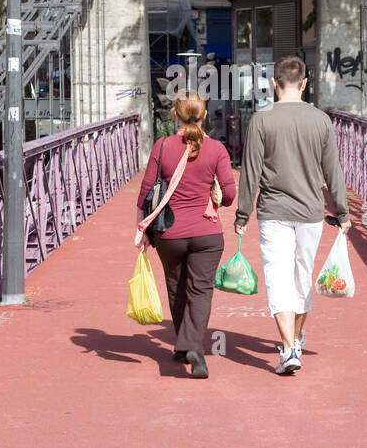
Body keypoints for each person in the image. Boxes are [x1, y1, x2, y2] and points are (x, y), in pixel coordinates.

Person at [235, 56, 350, 375]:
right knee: (302, 276)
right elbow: (333, 171)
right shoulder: (320, 121)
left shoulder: (261, 119)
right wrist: (342, 211)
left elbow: (251, 171)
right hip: (311, 212)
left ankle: (289, 346)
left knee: (277, 276)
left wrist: (242, 214)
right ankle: (293, 340)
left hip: (273, 211)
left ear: (274, 84)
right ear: (305, 84)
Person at [135, 91, 236, 378]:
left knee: (176, 287)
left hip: (170, 233)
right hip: (208, 232)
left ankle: (184, 346)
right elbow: (229, 195)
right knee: (200, 291)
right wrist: (218, 198)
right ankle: (191, 346)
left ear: (174, 115)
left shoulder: (163, 146)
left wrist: (141, 228)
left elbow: (146, 191)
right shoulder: (216, 148)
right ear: (204, 116)